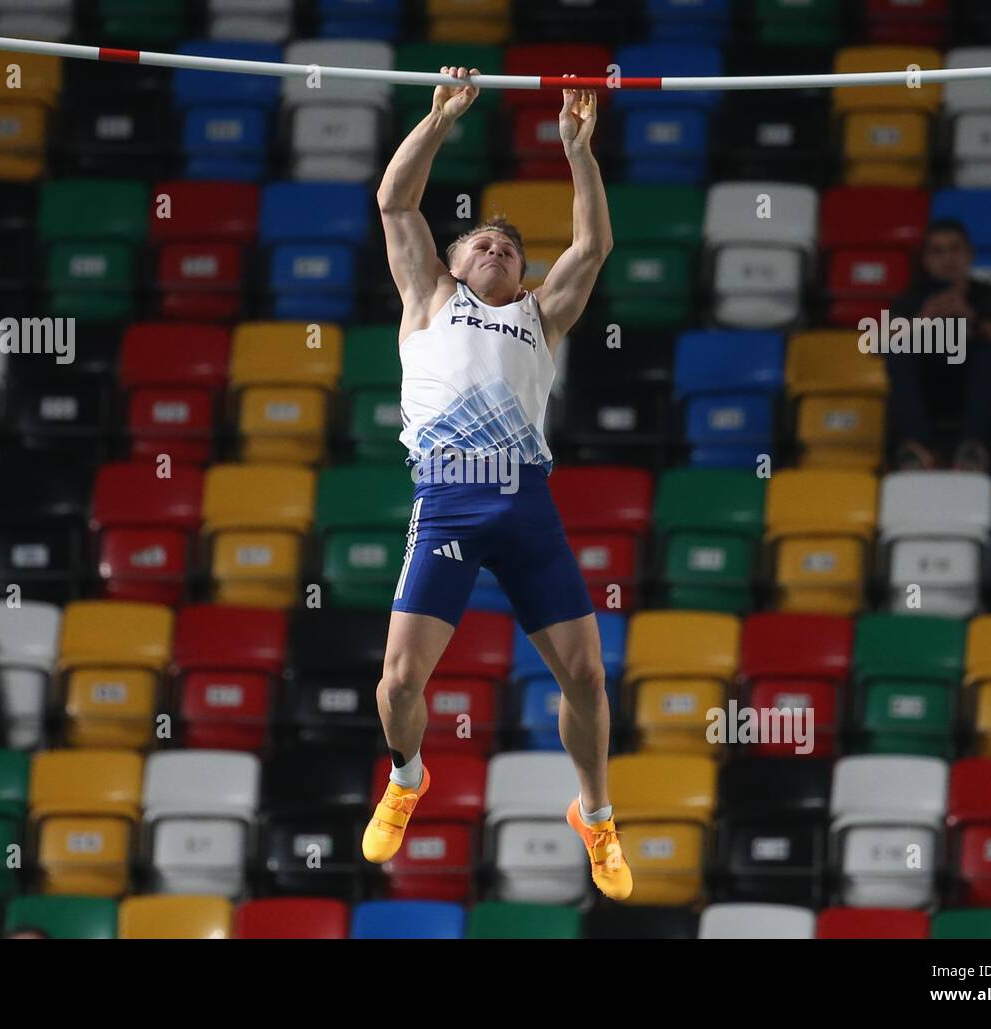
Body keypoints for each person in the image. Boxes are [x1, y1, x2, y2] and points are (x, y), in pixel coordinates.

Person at [365, 67, 631, 899]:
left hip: (522, 502)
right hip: (447, 495)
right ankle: (408, 778)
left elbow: (591, 248)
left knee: (586, 675)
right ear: (451, 259)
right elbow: (394, 202)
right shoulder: (427, 295)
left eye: (510, 248)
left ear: (522, 275)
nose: (496, 248)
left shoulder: (540, 316)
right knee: (401, 681)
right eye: (481, 240)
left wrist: (577, 153)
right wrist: (441, 116)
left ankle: (594, 813)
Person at [885, 218, 991, 473]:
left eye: (954, 249)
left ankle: (972, 450)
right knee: (899, 351)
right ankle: (919, 449)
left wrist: (974, 319)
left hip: (976, 392)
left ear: (969, 254)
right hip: (927, 392)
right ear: (925, 260)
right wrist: (923, 320)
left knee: (990, 354)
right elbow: (875, 344)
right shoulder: (911, 298)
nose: (947, 258)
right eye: (937, 251)